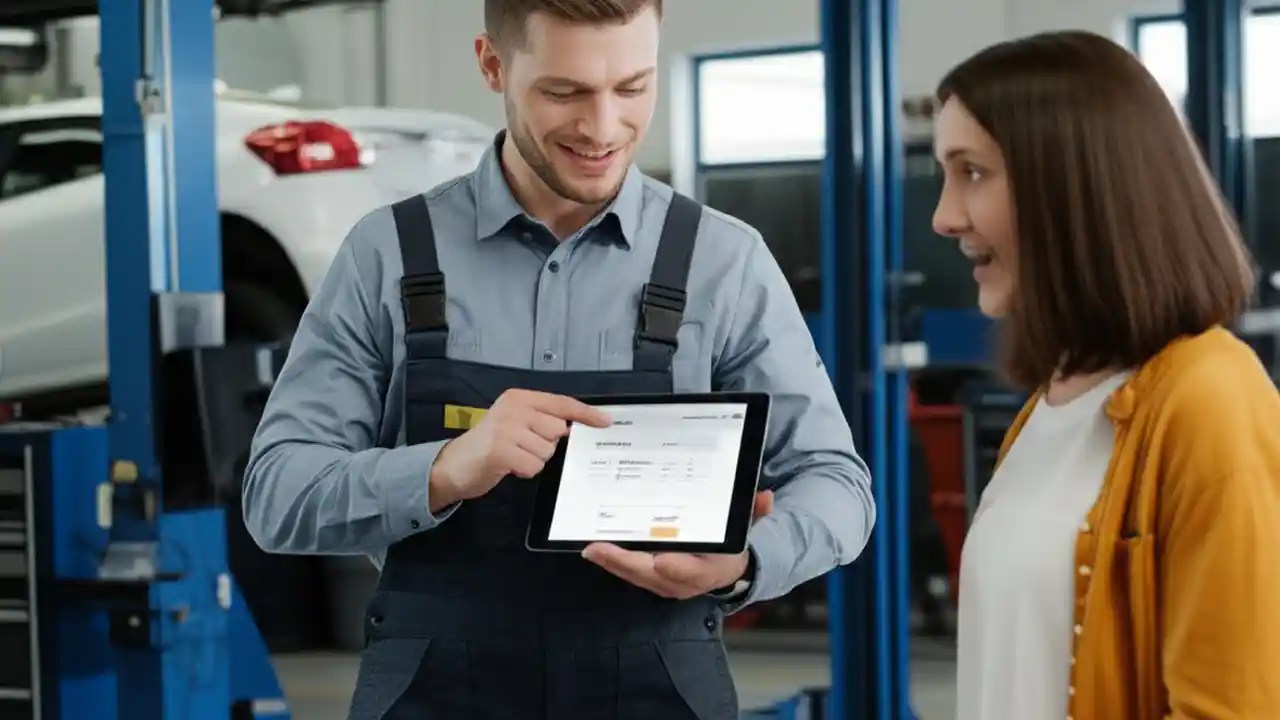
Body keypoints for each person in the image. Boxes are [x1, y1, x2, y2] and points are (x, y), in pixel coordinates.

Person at [241, 1, 875, 718]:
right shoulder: (386, 255)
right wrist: (445, 469)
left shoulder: (722, 264)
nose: (603, 129)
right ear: (492, 65)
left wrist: (746, 564)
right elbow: (277, 494)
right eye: (565, 92)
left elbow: (838, 485)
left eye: (632, 87)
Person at [931, 30, 1280, 720]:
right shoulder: (1053, 401)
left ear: (1071, 186)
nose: (944, 216)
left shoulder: (1209, 398)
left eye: (972, 172)